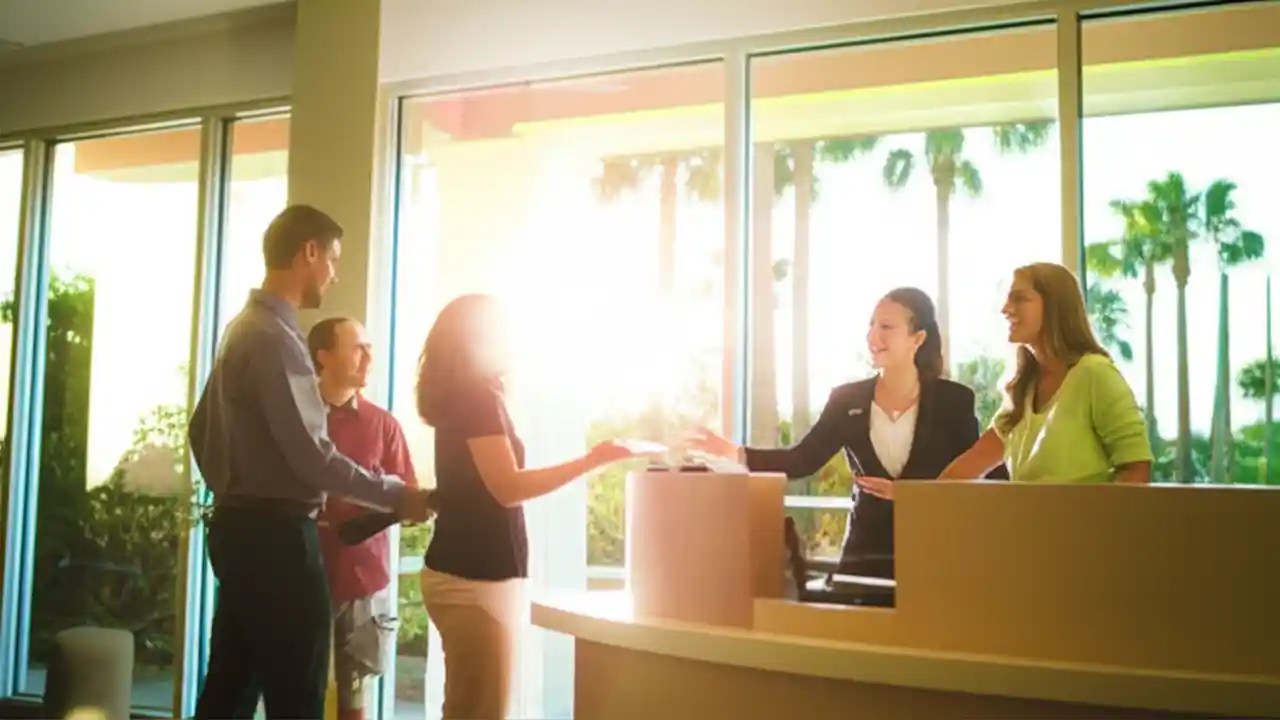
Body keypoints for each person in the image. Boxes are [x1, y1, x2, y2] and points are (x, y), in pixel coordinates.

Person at [188, 205, 434, 719]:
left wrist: (234, 492)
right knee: (296, 697)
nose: (333, 273)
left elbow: (199, 430)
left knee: (230, 688)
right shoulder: (278, 341)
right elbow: (314, 458)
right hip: (277, 542)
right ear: (309, 252)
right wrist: (396, 494)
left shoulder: (242, 328)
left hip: (242, 531)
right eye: (333, 259)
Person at [415, 293, 637, 719]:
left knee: (466, 706)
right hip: (473, 579)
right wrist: (591, 461)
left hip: (468, 574)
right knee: (480, 712)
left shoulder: (465, 399)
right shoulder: (477, 400)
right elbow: (507, 487)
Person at [689, 287, 981, 577]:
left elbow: (979, 480)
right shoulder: (846, 400)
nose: (872, 337)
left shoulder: (954, 401)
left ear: (917, 338)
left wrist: (910, 496)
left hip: (936, 555)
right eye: (871, 325)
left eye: (886, 327)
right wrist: (730, 451)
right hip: (864, 558)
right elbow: (802, 460)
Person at [940, 262, 1153, 483]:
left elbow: (1136, 467)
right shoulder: (1023, 389)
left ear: (1054, 306)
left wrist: (1097, 517)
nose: (1006, 309)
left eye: (1020, 299)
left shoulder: (1095, 373)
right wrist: (917, 502)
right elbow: (963, 470)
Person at [308, 316, 417, 720]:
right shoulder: (298, 420)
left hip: (364, 583)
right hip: (302, 576)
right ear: (324, 356)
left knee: (356, 706)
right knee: (297, 693)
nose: (369, 356)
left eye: (370, 347)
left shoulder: (384, 425)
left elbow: (409, 501)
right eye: (358, 347)